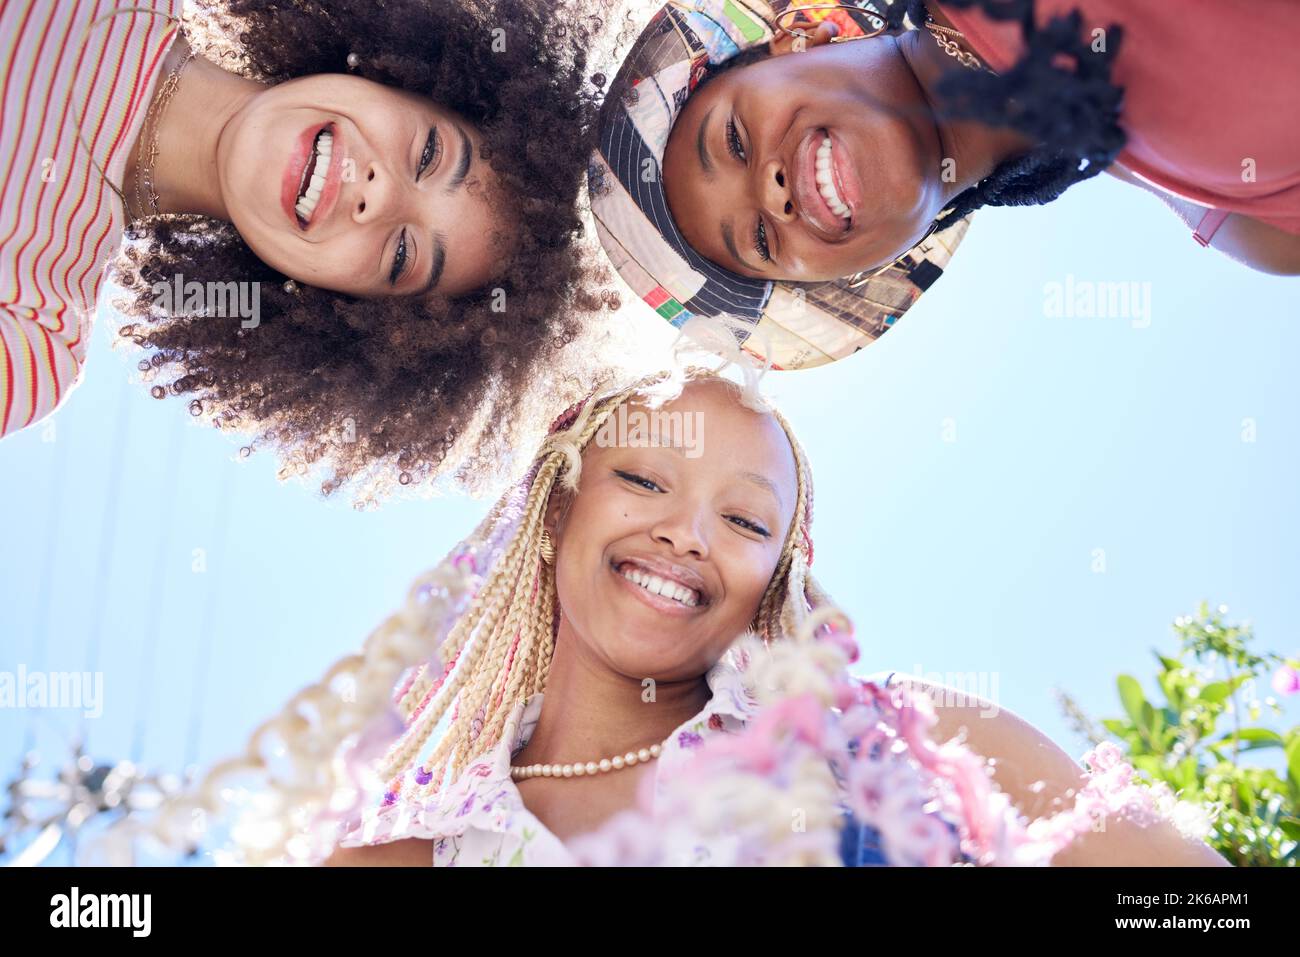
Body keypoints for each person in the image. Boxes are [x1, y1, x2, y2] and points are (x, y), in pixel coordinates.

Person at [180, 367, 1217, 867]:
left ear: (777, 579)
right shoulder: (412, 851)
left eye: (743, 519)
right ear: (554, 509)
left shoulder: (912, 744)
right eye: (641, 478)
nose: (687, 534)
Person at [1, 0, 617, 496]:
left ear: (337, 310)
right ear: (401, 74)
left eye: (402, 256)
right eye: (430, 154)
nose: (378, 199)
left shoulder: (33, 337)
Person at [587, 0, 1299, 371]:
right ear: (867, 271)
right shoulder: (1251, 220)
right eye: (761, 239)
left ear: (795, 38)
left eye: (734, 141)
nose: (770, 192)